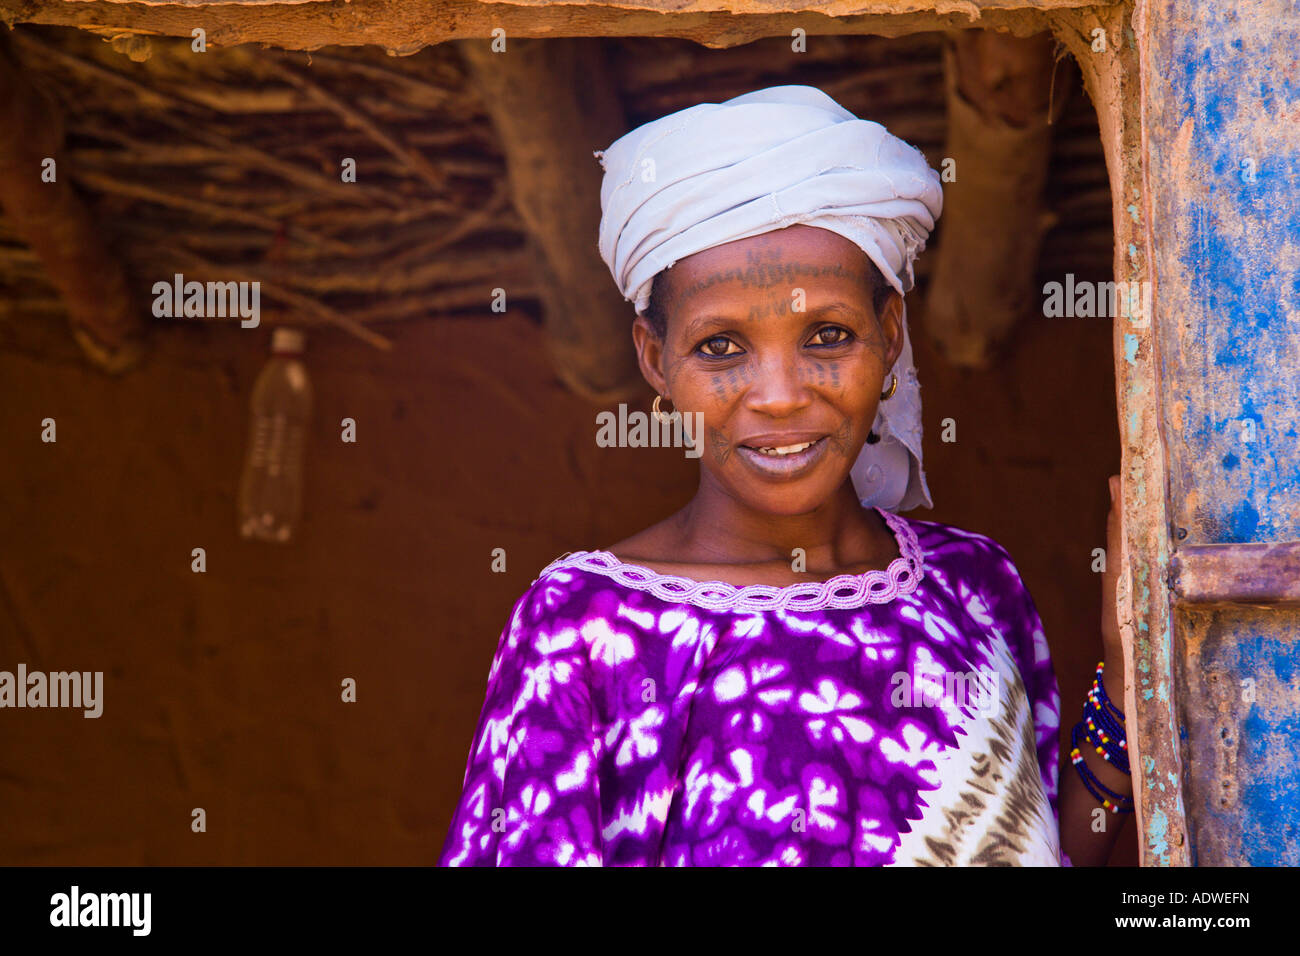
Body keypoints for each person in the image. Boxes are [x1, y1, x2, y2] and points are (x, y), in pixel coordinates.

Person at [438, 85, 1133, 866]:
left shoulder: (973, 585)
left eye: (828, 335)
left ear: (890, 334)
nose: (779, 395)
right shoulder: (589, 630)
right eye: (721, 347)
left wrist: (1126, 684)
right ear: (653, 357)